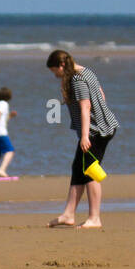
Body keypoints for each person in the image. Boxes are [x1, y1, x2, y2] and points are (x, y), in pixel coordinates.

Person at [45, 49, 119, 228]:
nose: (55, 75)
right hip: (101, 126)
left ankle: (95, 218)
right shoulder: (86, 71)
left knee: (90, 170)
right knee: (78, 168)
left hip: (96, 132)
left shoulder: (76, 79)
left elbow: (85, 106)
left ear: (62, 65)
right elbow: (101, 94)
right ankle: (68, 214)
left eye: (56, 71)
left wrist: (85, 135)